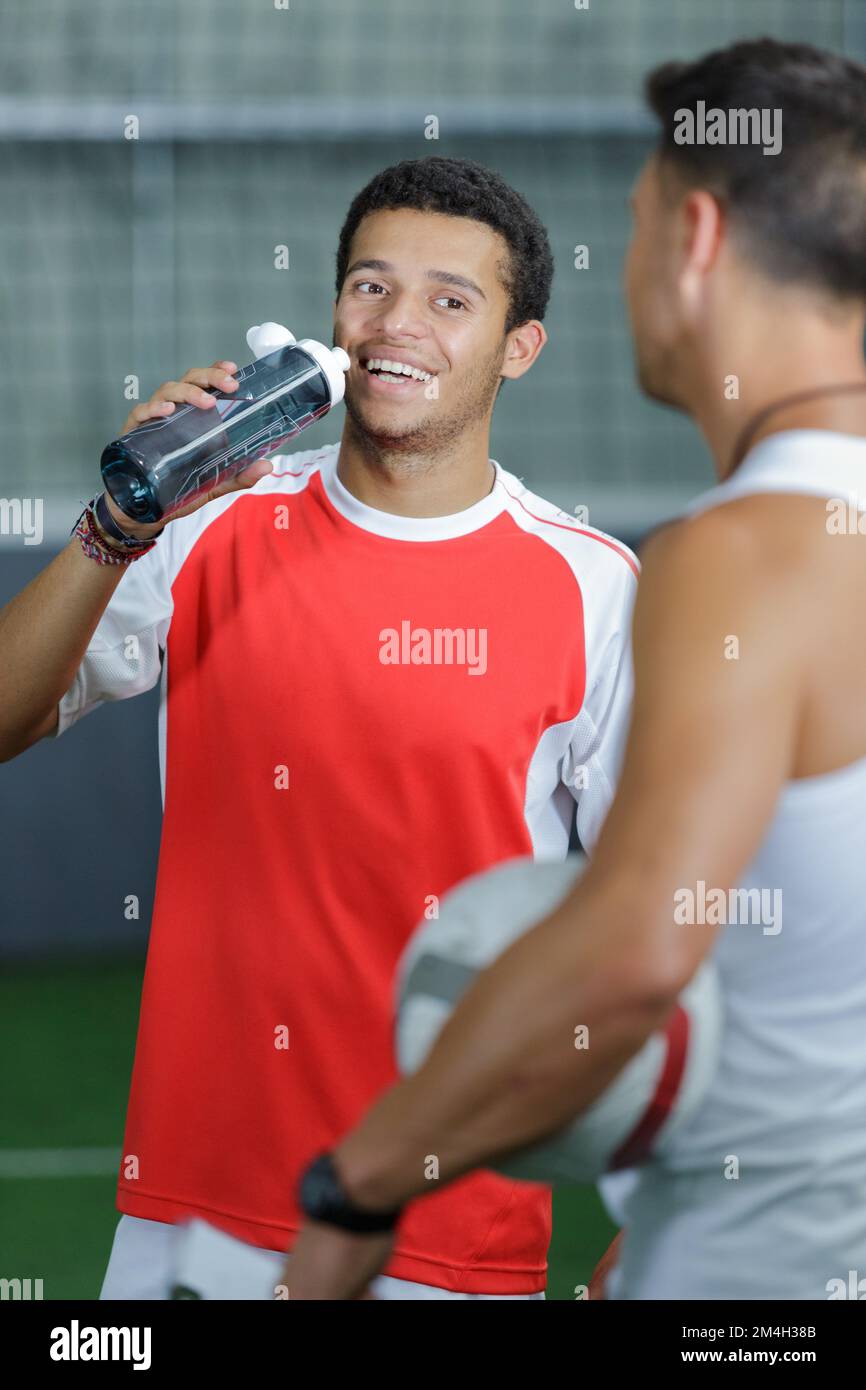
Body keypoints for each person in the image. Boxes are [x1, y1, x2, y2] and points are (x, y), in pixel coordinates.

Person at [282, 38, 866, 1301]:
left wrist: (357, 1184)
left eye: (638, 223)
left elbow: (632, 947)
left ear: (697, 238)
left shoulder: (739, 553)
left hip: (757, 1264)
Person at [0, 156, 638, 1299]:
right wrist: (121, 518)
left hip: (445, 1239)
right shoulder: (207, 528)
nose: (399, 323)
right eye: (370, 286)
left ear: (519, 346)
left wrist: (668, 1233)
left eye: (452, 299)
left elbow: (679, 917)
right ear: (334, 312)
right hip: (187, 1217)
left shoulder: (593, 591)